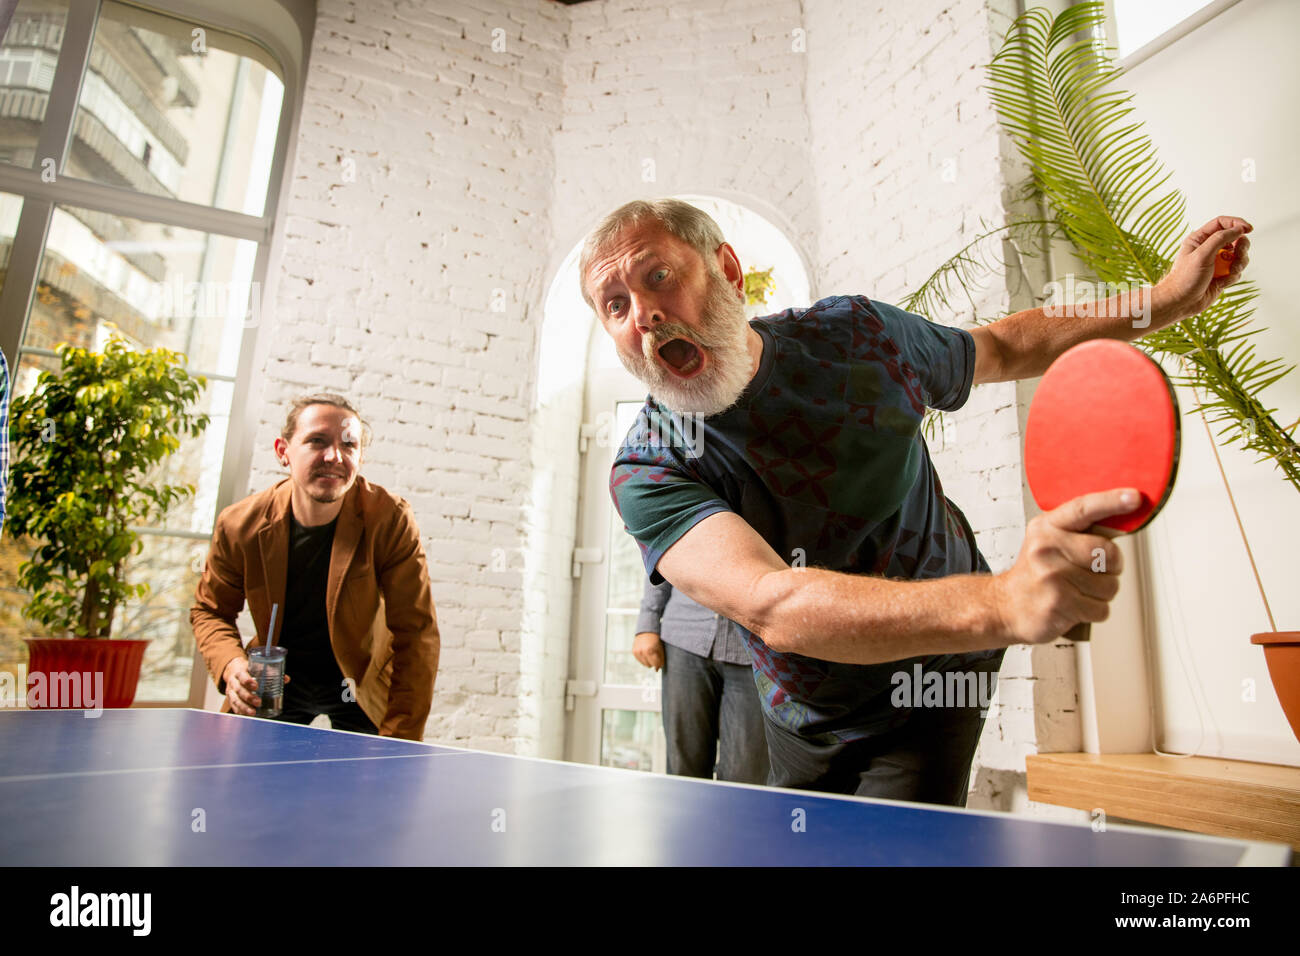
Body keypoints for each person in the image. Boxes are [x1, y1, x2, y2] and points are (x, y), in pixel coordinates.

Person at [584, 197, 1250, 803]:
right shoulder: (648, 466)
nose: (643, 313)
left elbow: (1002, 345)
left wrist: (1162, 302)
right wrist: (1005, 600)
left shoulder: (857, 336)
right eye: (615, 305)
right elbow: (770, 603)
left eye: (657, 276)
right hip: (805, 710)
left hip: (937, 680)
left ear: (726, 269)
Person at [191, 393, 440, 740]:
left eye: (348, 444)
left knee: (373, 791)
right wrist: (233, 665)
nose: (334, 456)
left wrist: (401, 738)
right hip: (276, 682)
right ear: (283, 452)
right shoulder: (239, 524)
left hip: (359, 684)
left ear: (360, 457)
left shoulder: (390, 519)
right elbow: (210, 610)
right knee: (241, 783)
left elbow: (417, 633)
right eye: (317, 441)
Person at [634, 578, 769, 783]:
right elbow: (661, 552)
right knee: (683, 771)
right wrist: (647, 622)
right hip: (684, 638)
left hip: (757, 648)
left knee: (746, 776)